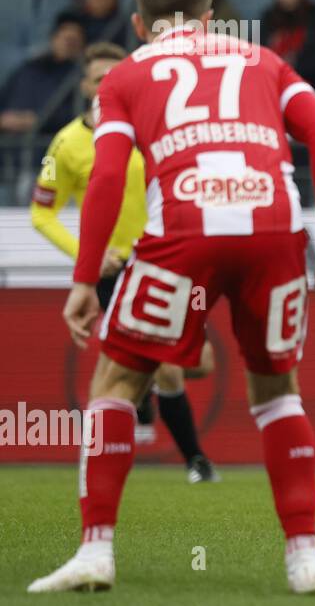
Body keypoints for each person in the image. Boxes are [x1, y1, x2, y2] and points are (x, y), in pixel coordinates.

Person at [28, 0, 315, 595]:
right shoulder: (261, 59)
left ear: (137, 24)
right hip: (273, 228)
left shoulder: (125, 75)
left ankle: (96, 551)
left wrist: (81, 278)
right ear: (211, 18)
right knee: (278, 390)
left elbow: (103, 175)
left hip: (184, 230)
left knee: (117, 380)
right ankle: (305, 559)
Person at [29, 42, 217, 480]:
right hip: (116, 272)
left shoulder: (155, 127)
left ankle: (143, 388)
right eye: (98, 79)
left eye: (114, 77)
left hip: (168, 258)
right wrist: (89, 259)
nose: (106, 86)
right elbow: (42, 212)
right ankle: (197, 462)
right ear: (84, 86)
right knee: (166, 362)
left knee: (199, 362)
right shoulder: (65, 146)